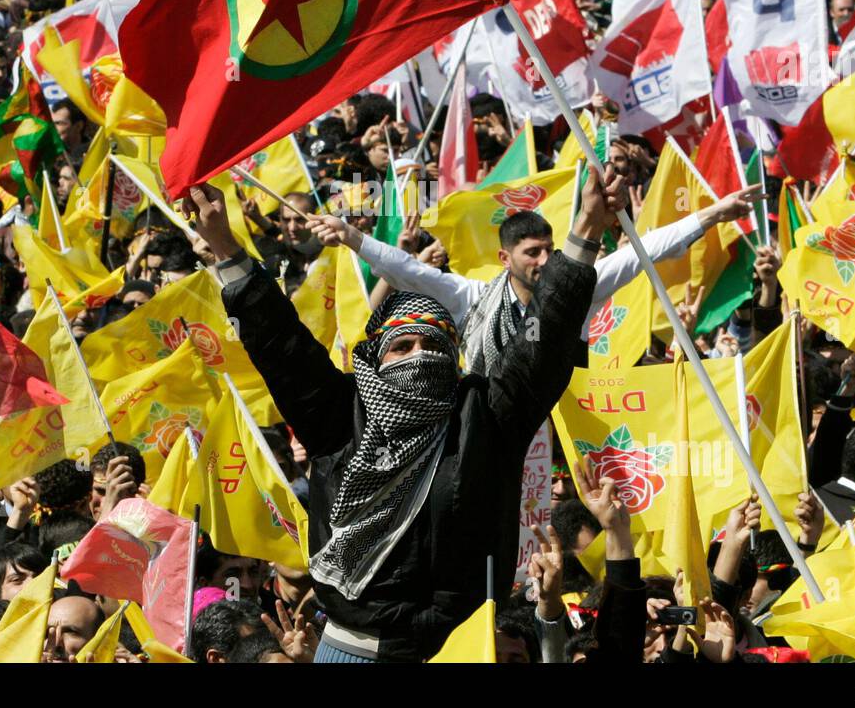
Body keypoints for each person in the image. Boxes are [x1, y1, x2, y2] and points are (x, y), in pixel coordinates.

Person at [184, 162, 622, 661]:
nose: (419, 355)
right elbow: (280, 343)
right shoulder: (339, 413)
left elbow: (545, 339)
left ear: (454, 359)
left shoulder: (486, 416)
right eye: (403, 345)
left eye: (433, 345)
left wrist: (585, 228)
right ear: (376, 358)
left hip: (459, 649)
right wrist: (223, 244)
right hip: (351, 649)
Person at [309, 175, 763, 374]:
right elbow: (407, 270)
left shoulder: (577, 289)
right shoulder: (472, 297)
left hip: (561, 429)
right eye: (532, 252)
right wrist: (351, 235)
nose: (544, 260)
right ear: (505, 259)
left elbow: (644, 253)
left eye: (549, 249)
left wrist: (714, 214)